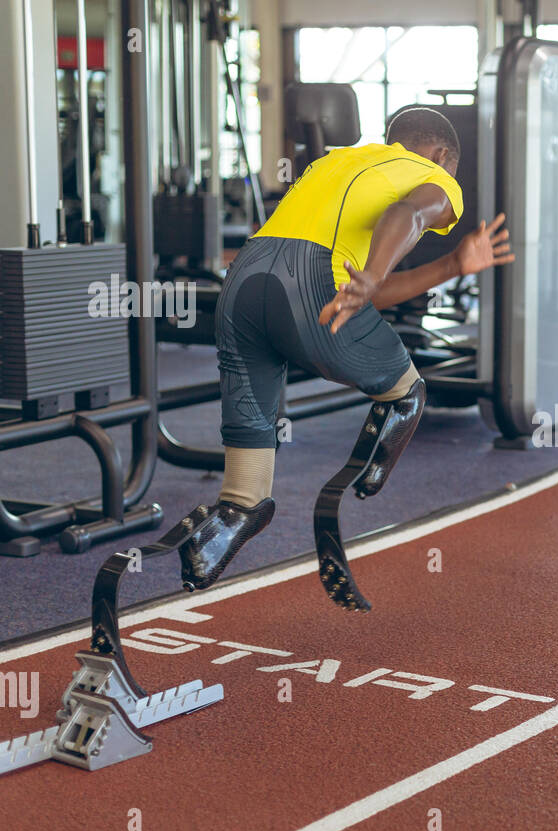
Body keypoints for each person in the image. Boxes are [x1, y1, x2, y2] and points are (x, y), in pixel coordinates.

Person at [179, 106, 513, 604]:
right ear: (442, 155)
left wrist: (449, 265)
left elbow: (359, 293)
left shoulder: (333, 164)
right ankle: (365, 478)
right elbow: (408, 215)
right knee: (406, 393)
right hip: (309, 287)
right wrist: (375, 273)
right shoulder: (435, 177)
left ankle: (219, 533)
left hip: (243, 282)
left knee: (247, 496)